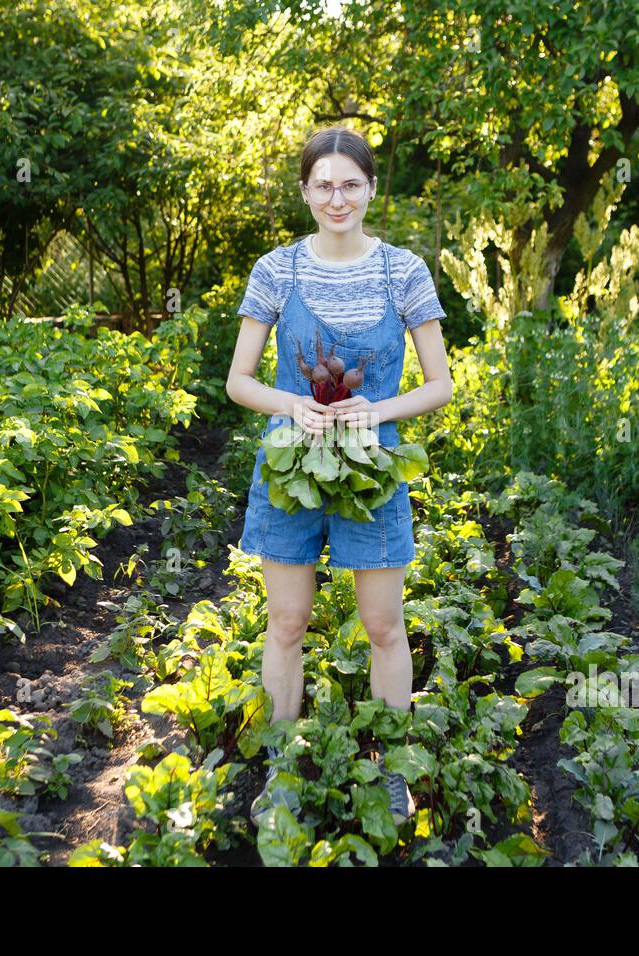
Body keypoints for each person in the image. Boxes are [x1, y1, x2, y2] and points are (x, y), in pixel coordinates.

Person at [224, 125, 454, 830]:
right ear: (304, 192)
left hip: (371, 472)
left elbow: (441, 385)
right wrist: (291, 402)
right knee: (287, 621)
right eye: (323, 184)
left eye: (350, 183)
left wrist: (375, 410)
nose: (337, 197)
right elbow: (238, 381)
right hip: (291, 466)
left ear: (371, 189)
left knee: (384, 626)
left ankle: (391, 769)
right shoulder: (277, 270)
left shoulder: (403, 271)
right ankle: (283, 768)